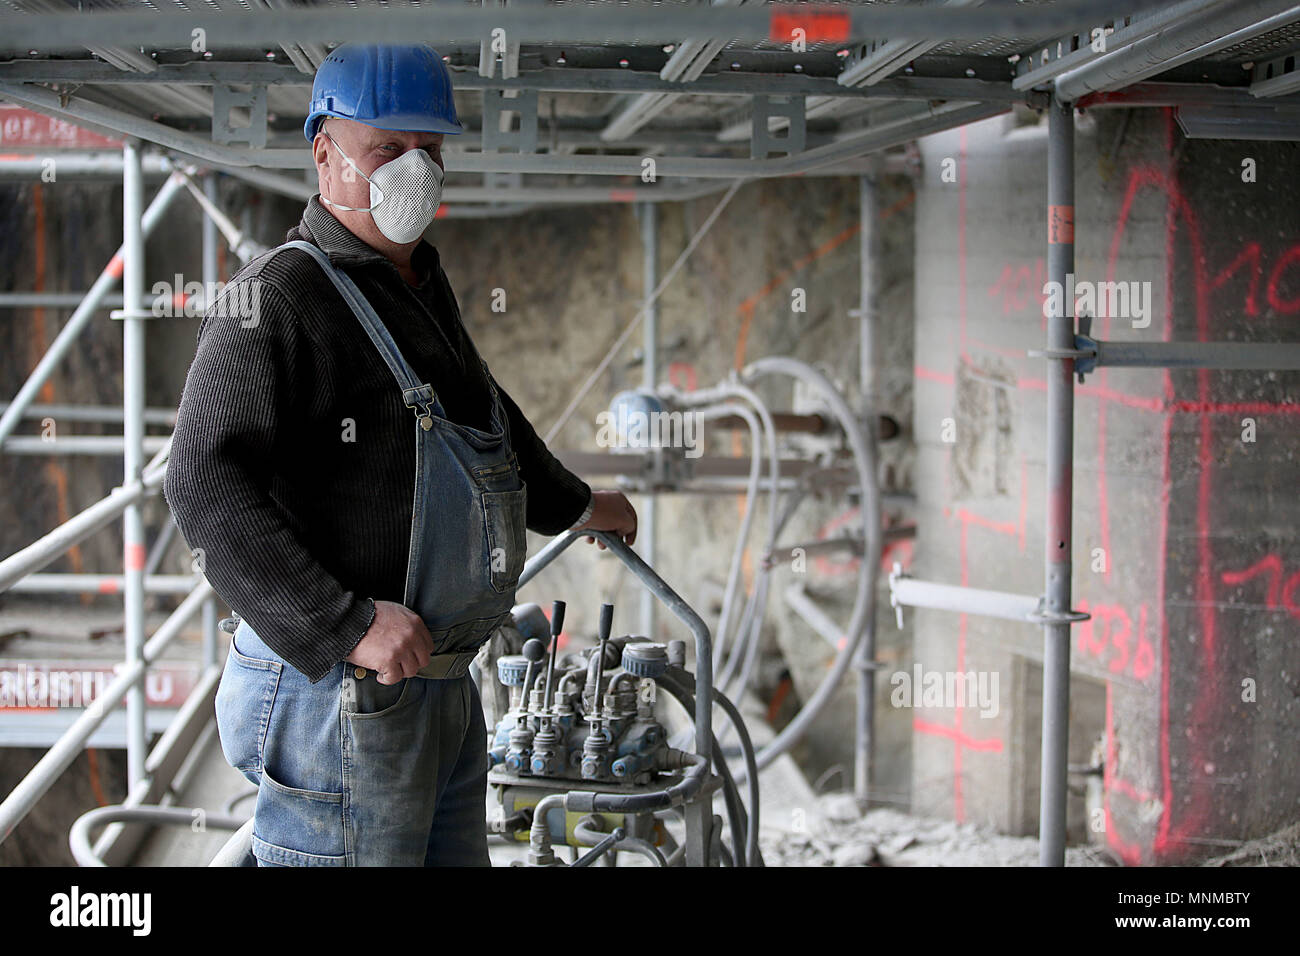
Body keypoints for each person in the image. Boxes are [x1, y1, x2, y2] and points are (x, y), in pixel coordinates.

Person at [163, 42, 637, 866]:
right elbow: (203, 483)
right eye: (388, 151)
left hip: (437, 683)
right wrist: (344, 624)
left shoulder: (413, 284)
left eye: (430, 152)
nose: (414, 171)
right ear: (325, 154)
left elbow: (486, 419)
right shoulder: (276, 298)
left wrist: (576, 506)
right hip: (343, 691)